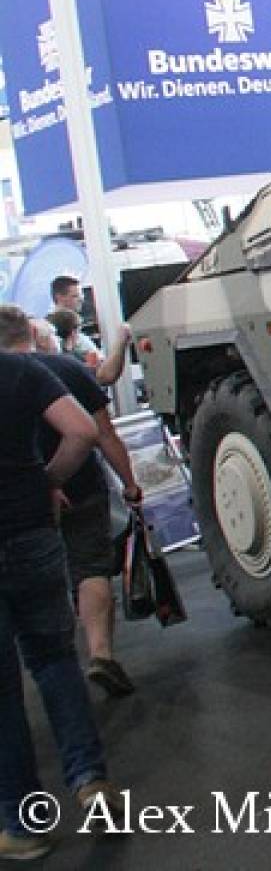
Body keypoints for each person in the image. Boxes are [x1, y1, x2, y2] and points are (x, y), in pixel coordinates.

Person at [0, 345, 117, 860]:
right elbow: (83, 431)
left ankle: (23, 824)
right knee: (54, 661)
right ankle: (90, 781)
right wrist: (46, 480)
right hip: (30, 532)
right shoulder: (21, 369)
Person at [3, 308, 142, 697]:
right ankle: (100, 652)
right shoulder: (67, 368)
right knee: (90, 567)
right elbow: (102, 433)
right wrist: (130, 483)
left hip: (22, 506)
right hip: (80, 486)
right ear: (31, 331)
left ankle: (50, 662)